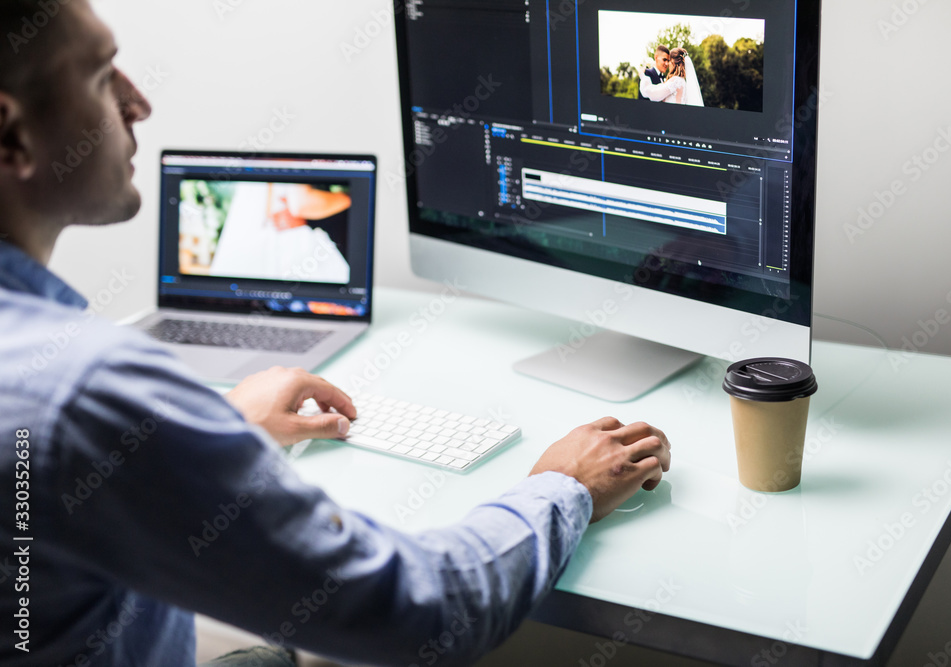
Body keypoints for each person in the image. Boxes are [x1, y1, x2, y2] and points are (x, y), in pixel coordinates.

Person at [0, 2, 671, 666]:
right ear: (10, 134)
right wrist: (564, 485)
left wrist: (202, 431)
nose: (137, 103)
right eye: (99, 73)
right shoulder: (81, 392)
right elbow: (420, 613)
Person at [639, 46, 704, 107]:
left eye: (669, 60)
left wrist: (643, 76)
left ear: (673, 61)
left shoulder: (676, 81)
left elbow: (653, 94)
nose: (667, 63)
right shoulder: (682, 81)